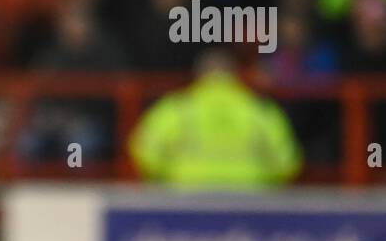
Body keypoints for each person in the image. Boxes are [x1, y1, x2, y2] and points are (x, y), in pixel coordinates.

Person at [129, 48, 303, 187]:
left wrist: (169, 180)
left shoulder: (176, 109)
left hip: (186, 200)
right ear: (235, 75)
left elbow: (146, 155)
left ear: (199, 74)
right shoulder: (260, 111)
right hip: (249, 202)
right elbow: (286, 164)